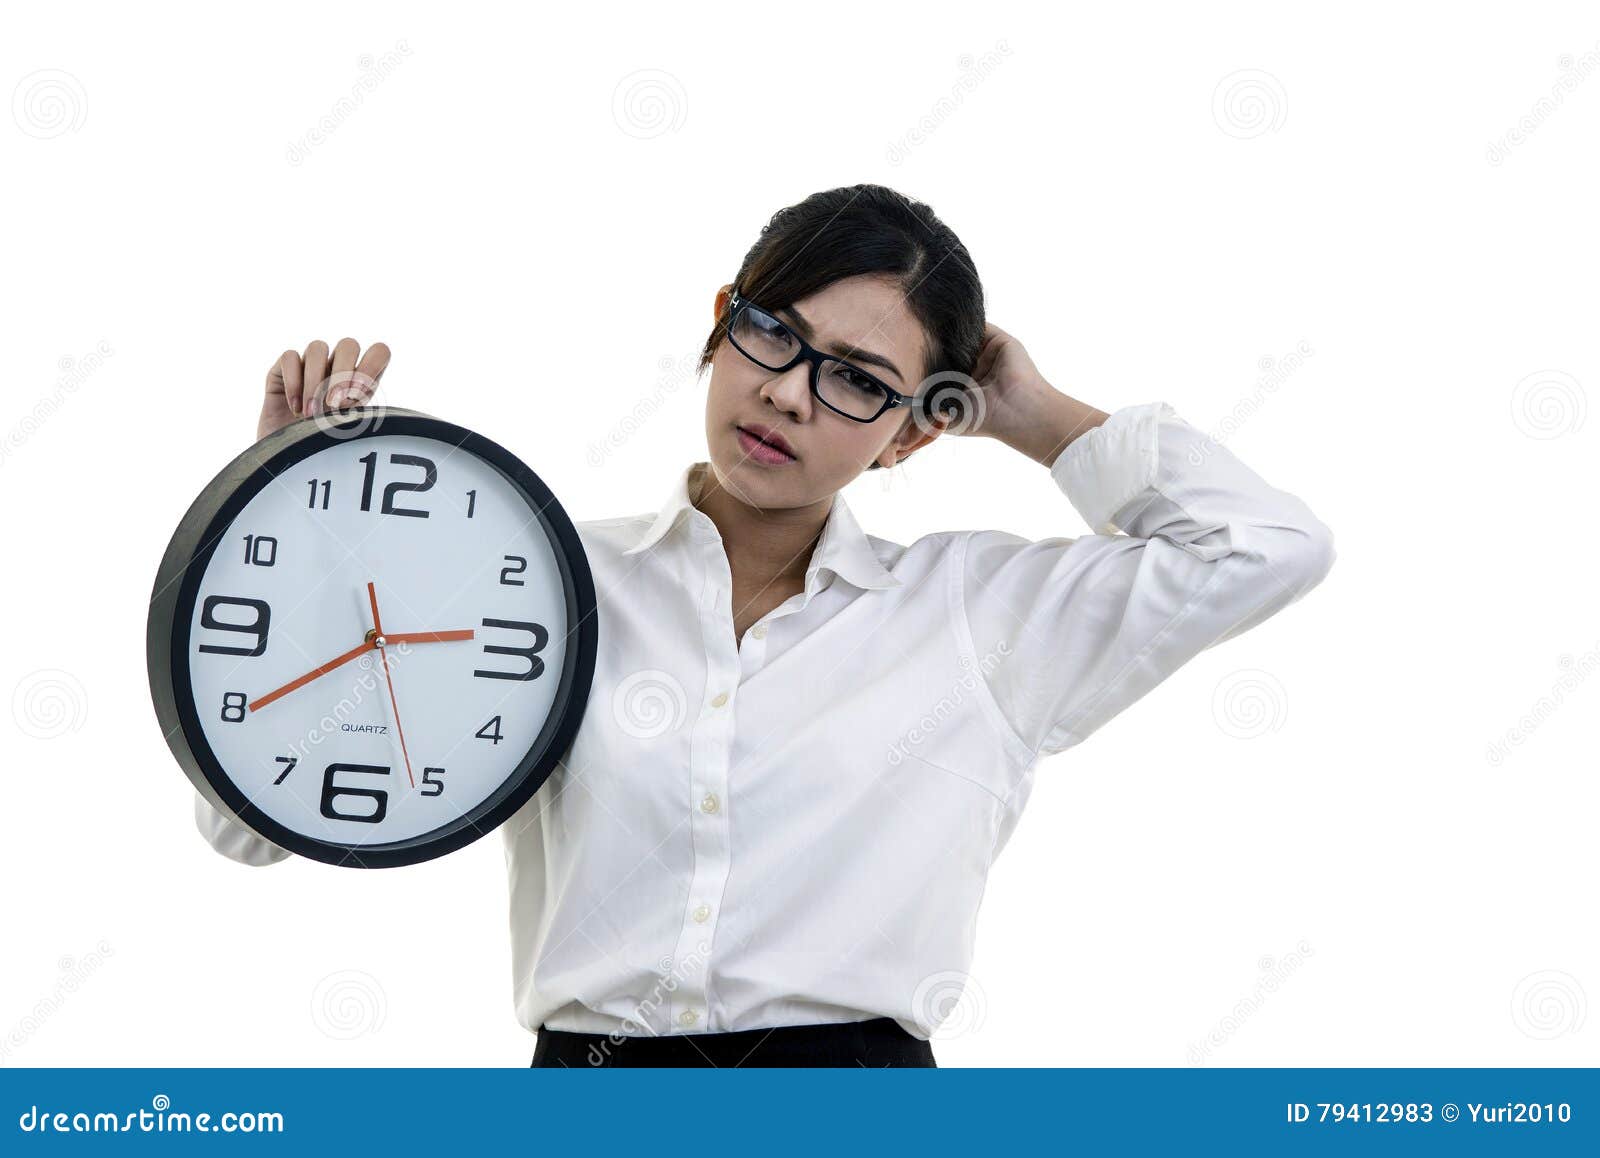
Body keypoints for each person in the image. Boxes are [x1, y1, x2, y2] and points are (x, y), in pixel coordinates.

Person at [193, 183, 1337, 1067]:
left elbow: (1268, 546)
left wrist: (1032, 414)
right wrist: (288, 525)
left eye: (858, 380)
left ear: (913, 433)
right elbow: (251, 827)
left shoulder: (980, 616)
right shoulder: (540, 580)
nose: (789, 391)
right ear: (718, 327)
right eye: (771, 334)